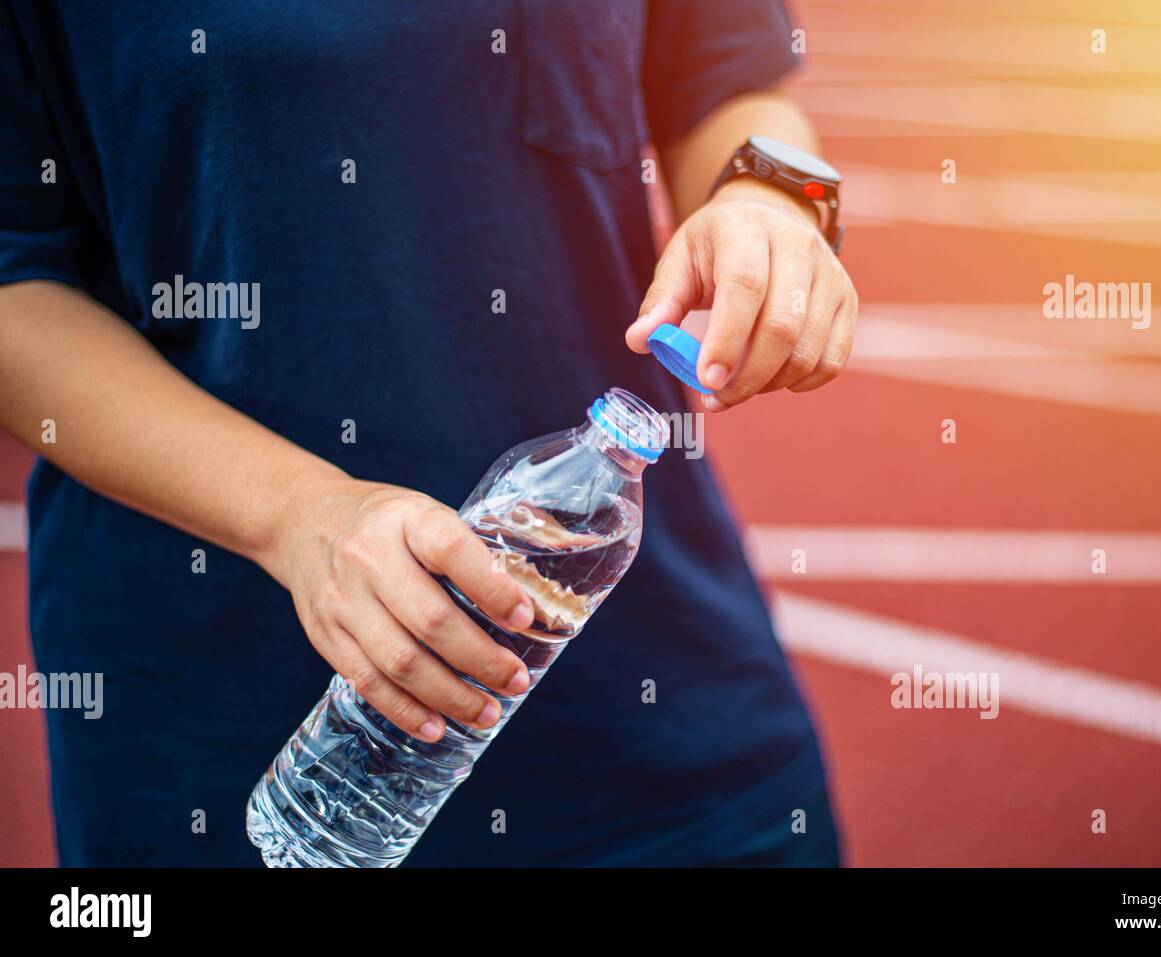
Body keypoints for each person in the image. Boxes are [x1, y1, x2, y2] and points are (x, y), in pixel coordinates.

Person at [0, 0, 857, 866]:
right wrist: (297, 514)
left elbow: (728, 82)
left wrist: (773, 202)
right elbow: (14, 283)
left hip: (667, 722)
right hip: (241, 746)